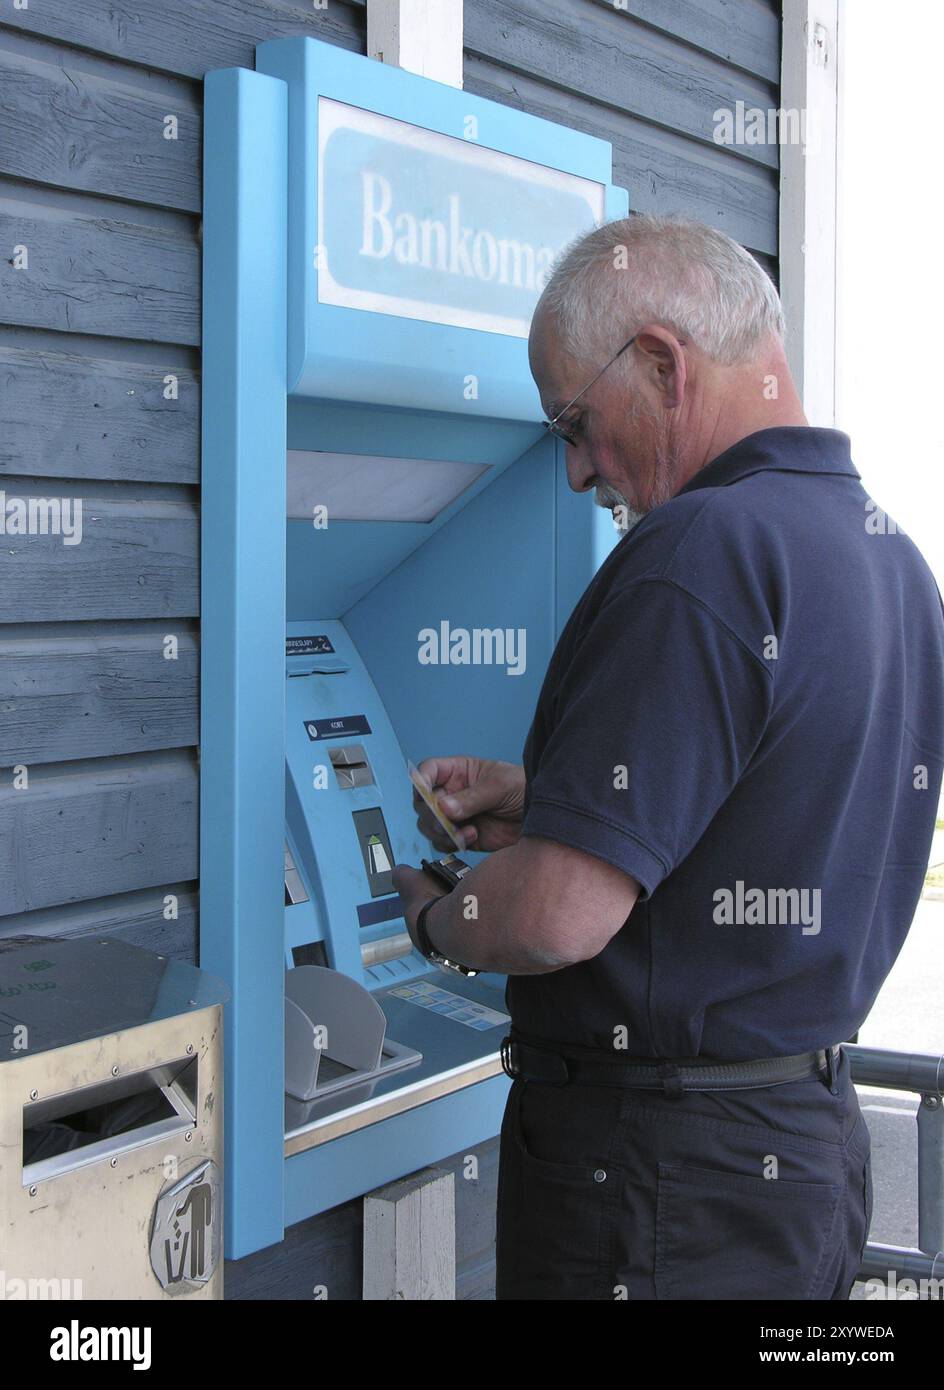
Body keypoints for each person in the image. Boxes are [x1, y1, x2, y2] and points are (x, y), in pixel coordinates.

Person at [391, 215, 944, 1300]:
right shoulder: (889, 561)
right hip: (797, 1159)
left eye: (574, 422)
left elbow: (556, 917)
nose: (570, 470)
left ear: (659, 363)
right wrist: (552, 805)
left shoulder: (697, 548)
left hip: (651, 1185)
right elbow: (765, 808)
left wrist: (430, 920)